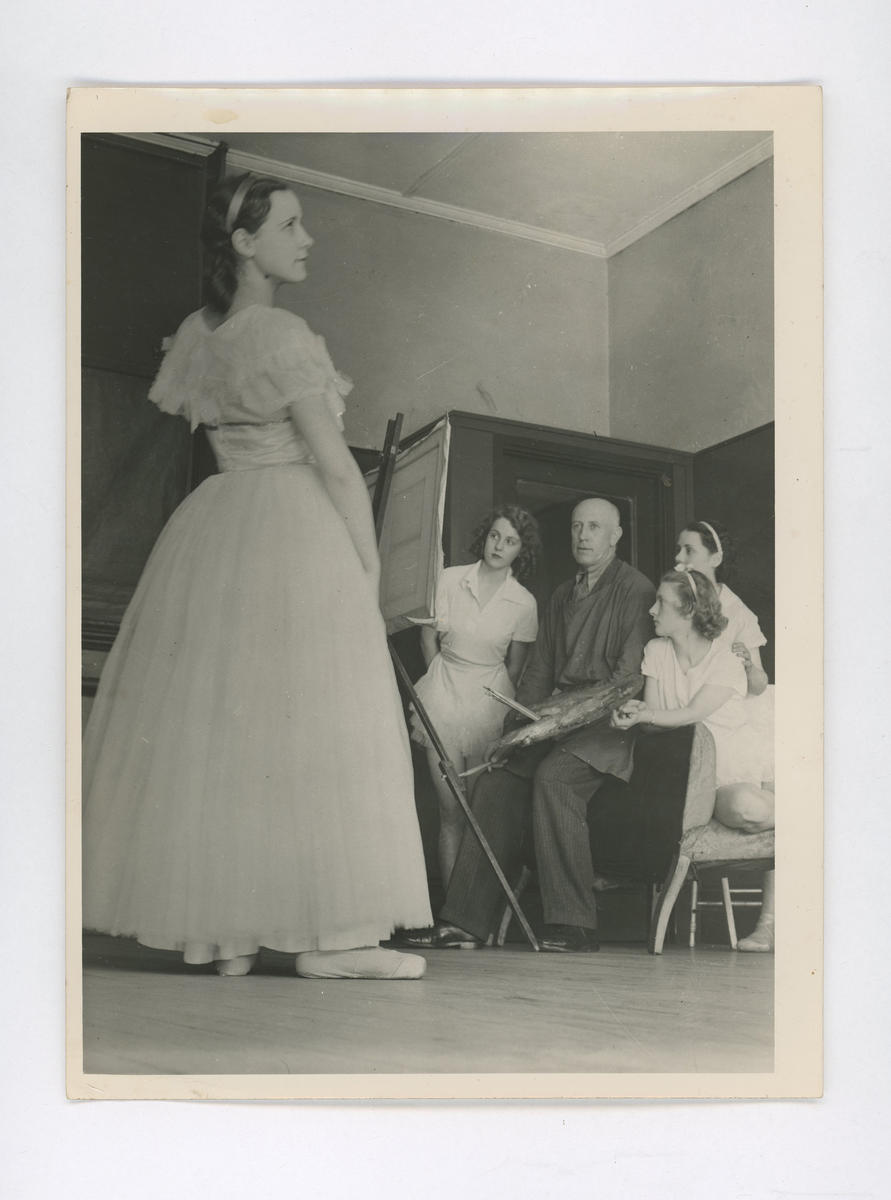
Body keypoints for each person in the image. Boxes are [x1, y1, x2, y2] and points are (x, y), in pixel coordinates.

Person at [82, 173, 432, 981]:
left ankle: (224, 935)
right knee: (312, 722)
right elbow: (336, 467)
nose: (307, 240)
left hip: (218, 525)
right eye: (291, 225)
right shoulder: (280, 332)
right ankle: (330, 939)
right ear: (244, 242)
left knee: (231, 727)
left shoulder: (197, 335)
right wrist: (368, 565)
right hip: (292, 524)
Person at [404, 497, 656, 953]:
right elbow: (537, 673)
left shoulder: (635, 589)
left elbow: (626, 682)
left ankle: (576, 924)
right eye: (577, 526)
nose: (583, 536)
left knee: (554, 778)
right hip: (556, 723)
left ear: (615, 536)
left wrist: (554, 721)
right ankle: (464, 922)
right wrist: (514, 731)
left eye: (594, 527)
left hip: (607, 728)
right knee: (497, 779)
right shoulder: (561, 595)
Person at [610, 569, 775, 951]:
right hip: (681, 775)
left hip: (727, 772)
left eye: (661, 603)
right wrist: (634, 714)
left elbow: (692, 713)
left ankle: (819, 818)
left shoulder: (726, 658)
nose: (651, 610)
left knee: (744, 806)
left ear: (688, 611)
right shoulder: (656, 651)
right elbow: (653, 722)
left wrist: (647, 714)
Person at [411, 505, 540, 887]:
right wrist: (442, 684)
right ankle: (452, 905)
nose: (499, 546)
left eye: (510, 541)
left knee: (479, 811)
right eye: (495, 535)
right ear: (485, 536)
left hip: (489, 702)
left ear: (521, 550)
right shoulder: (450, 579)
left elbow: (516, 666)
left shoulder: (524, 602)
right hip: (443, 694)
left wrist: (488, 698)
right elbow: (428, 638)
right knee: (451, 808)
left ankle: (472, 908)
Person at [673, 520, 775, 950]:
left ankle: (770, 923)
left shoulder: (739, 612)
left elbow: (758, 685)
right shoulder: (673, 601)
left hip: (733, 732)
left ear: (715, 558)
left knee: (755, 802)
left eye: (689, 551)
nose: (679, 559)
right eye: (678, 550)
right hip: (690, 736)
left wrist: (748, 665)